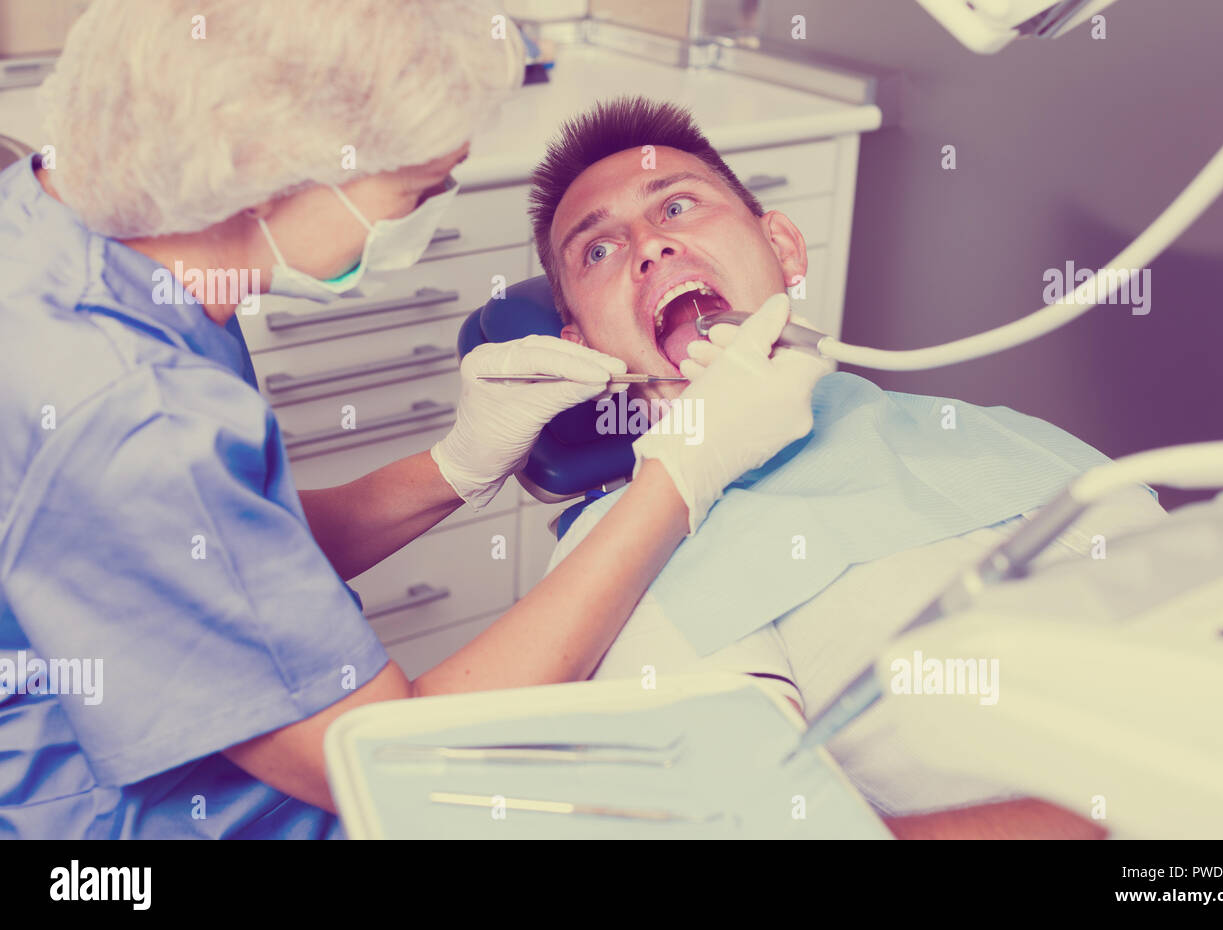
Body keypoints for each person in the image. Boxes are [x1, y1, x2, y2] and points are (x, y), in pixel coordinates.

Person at [0, 2, 828, 838]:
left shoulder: (70, 220)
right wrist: (678, 476)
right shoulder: (130, 412)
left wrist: (453, 468)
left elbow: (213, 553)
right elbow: (389, 758)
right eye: (417, 187)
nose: (435, 203)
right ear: (272, 167)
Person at [527, 96, 1169, 838]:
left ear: (786, 250)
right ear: (583, 350)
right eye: (598, 250)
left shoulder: (1004, 435)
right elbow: (758, 829)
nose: (648, 247)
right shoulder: (623, 556)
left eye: (677, 206)